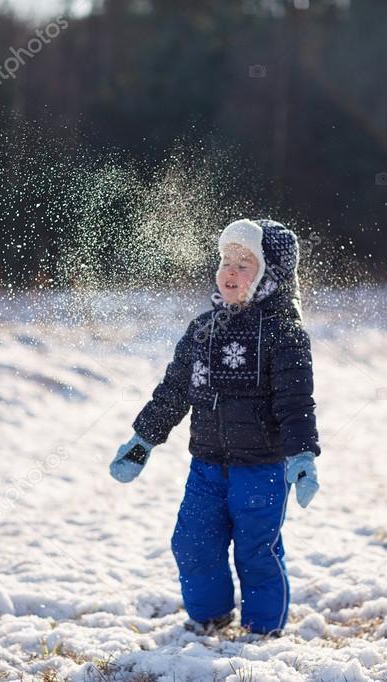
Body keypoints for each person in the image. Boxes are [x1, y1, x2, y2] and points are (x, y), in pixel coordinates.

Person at [110, 218, 320, 636]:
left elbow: (295, 403)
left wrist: (302, 455)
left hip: (261, 469)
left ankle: (264, 628)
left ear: (270, 276)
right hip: (206, 466)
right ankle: (209, 616)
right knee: (192, 543)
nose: (230, 271)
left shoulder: (284, 333)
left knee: (256, 551)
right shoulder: (202, 329)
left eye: (246, 264)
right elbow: (173, 391)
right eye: (226, 260)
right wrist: (143, 440)